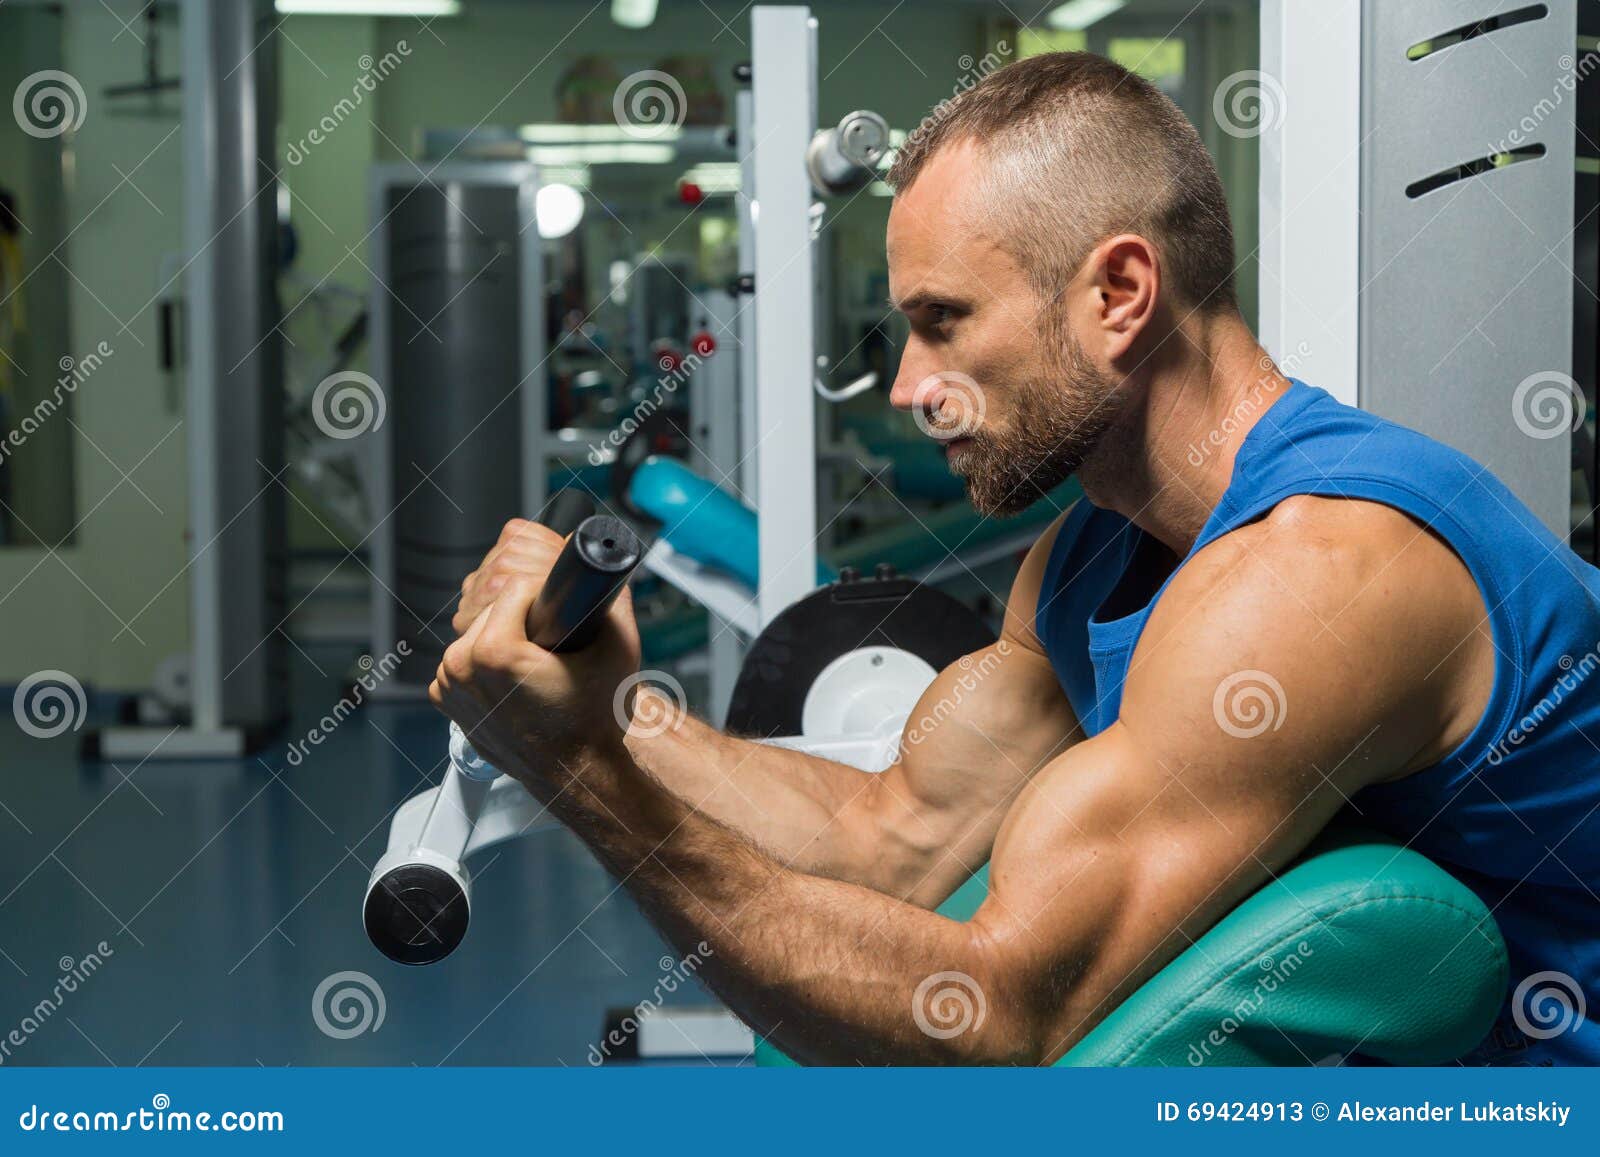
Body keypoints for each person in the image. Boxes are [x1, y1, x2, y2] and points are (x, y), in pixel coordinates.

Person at [433, 52, 1599, 1065]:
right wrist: (610, 714)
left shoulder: (1319, 572)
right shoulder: (1090, 552)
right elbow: (890, 841)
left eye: (945, 321)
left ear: (1120, 293)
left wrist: (586, 778)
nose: (906, 386)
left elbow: (998, 1014)